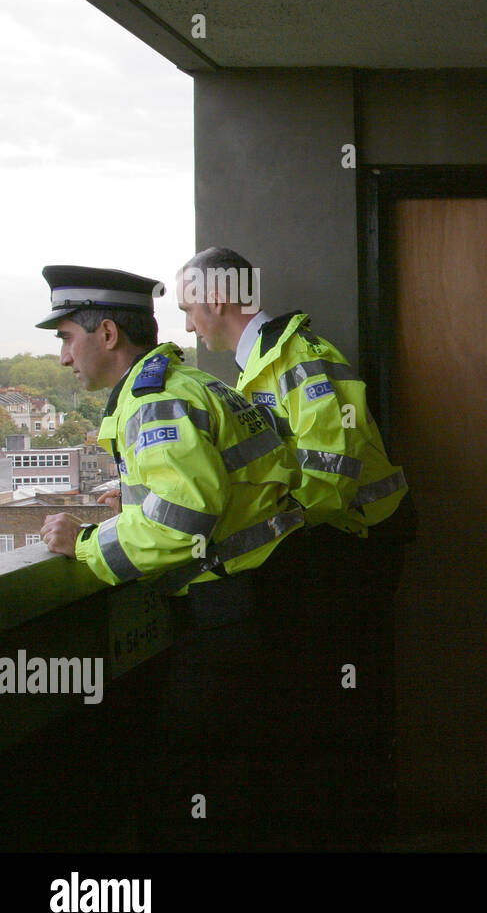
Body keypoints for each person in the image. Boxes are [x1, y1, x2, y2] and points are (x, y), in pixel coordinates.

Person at [36, 264, 305, 851]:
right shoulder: (192, 384)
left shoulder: (153, 403)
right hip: (272, 591)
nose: (61, 357)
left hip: (231, 611)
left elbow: (183, 525)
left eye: (65, 337)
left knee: (194, 774)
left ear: (107, 335)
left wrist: (83, 543)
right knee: (249, 775)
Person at [177, 246, 411, 849]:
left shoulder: (296, 357)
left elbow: (329, 469)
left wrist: (274, 528)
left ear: (216, 299)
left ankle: (359, 827)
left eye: (188, 307)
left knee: (347, 690)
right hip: (339, 540)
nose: (186, 325)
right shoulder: (261, 363)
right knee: (332, 691)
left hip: (360, 540)